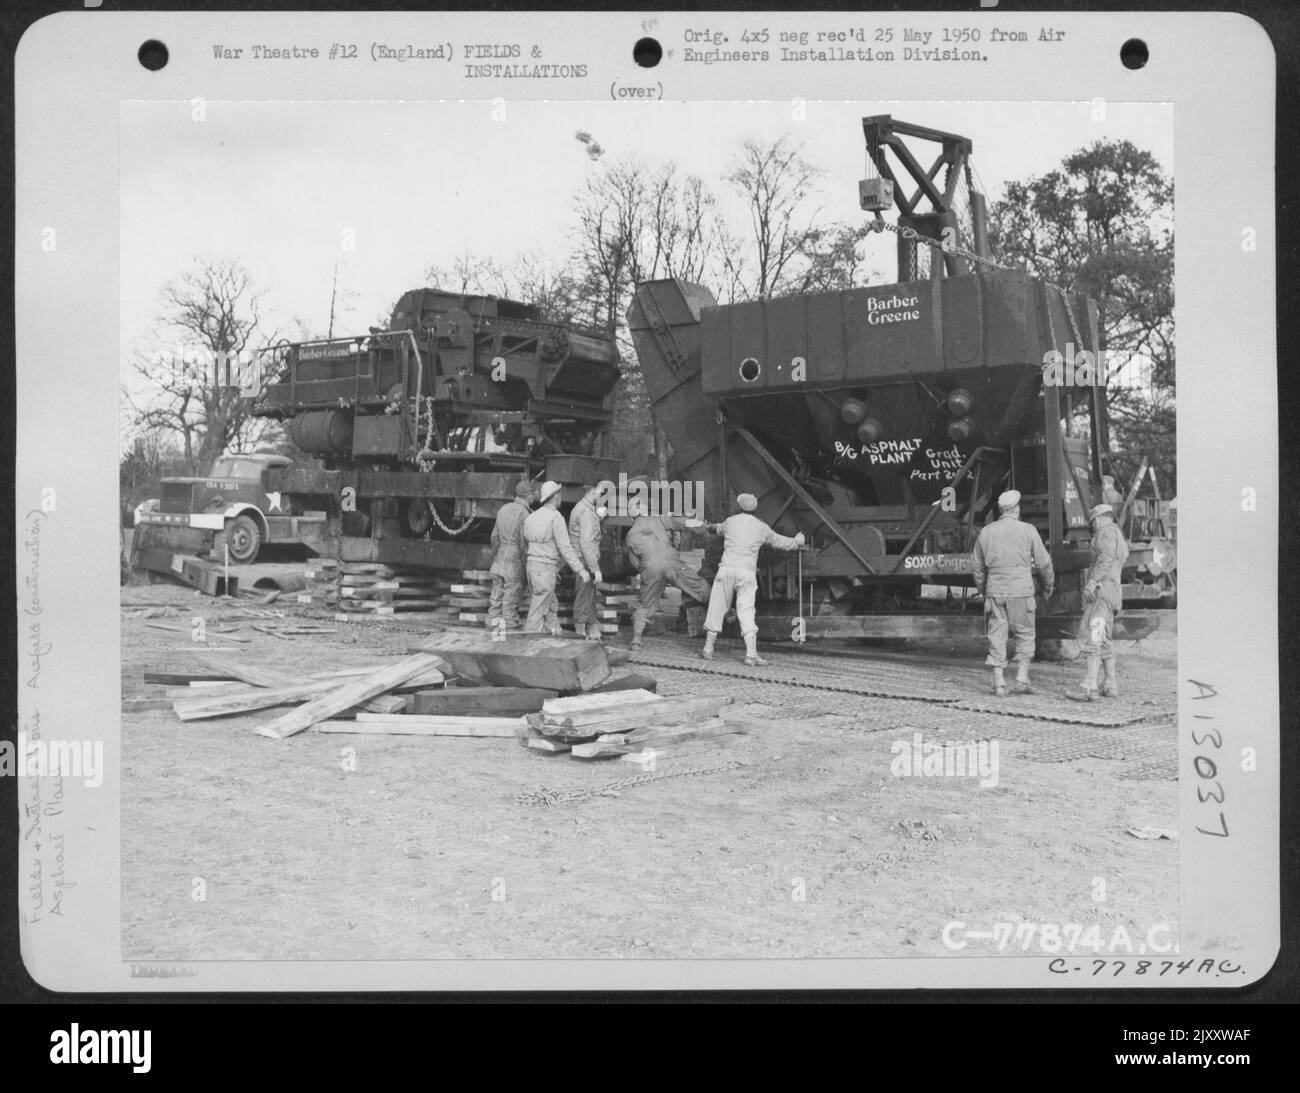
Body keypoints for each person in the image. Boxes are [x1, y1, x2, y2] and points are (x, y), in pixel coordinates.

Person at [700, 493, 804, 667]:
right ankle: (751, 655)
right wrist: (797, 541)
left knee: (717, 606)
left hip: (726, 569)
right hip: (746, 572)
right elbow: (779, 542)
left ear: (739, 506)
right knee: (746, 610)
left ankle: (708, 649)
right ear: (755, 509)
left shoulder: (730, 521)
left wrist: (709, 526)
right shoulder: (761, 527)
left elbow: (717, 529)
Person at [971, 489, 1055, 697]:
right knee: (1025, 633)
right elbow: (1044, 563)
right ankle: (1022, 678)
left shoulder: (986, 532)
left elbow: (977, 568)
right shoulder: (1028, 530)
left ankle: (999, 683)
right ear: (1016, 509)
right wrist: (1048, 584)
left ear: (1001, 510)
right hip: (1021, 591)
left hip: (996, 591)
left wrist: (984, 590)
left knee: (997, 635)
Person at [624, 495, 714, 650]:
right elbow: (682, 522)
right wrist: (704, 526)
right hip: (671, 560)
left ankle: (636, 640)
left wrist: (648, 573)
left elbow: (635, 563)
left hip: (650, 565)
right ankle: (725, 612)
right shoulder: (657, 519)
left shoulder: (630, 534)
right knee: (698, 586)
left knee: (645, 604)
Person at [1066, 503, 1129, 702]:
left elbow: (1106, 558)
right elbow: (1119, 559)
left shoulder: (1106, 533)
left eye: (1092, 522)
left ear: (1100, 518)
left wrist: (1092, 582)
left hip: (1101, 595)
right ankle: (1110, 684)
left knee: (1091, 635)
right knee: (1104, 638)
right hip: (1113, 594)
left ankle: (1089, 686)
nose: (1092, 526)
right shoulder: (1119, 535)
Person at [521, 480, 590, 635]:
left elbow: (524, 544)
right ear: (556, 497)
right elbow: (565, 548)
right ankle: (530, 639)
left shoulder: (532, 517)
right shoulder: (555, 518)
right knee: (539, 606)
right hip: (545, 568)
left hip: (531, 566)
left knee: (549, 603)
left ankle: (554, 632)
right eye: (559, 495)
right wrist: (581, 570)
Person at [486, 479, 537, 631]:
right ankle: (506, 646)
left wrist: (496, 557)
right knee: (509, 610)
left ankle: (493, 643)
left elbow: (494, 538)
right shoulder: (526, 515)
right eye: (534, 495)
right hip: (513, 566)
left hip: (499, 561)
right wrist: (526, 568)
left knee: (495, 605)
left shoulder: (503, 509)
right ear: (529, 497)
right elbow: (524, 546)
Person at [568, 480, 606, 641]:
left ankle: (590, 627)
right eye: (601, 493)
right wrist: (595, 569)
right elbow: (586, 543)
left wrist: (599, 518)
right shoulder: (586, 513)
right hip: (584, 560)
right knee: (584, 595)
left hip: (583, 559)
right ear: (593, 492)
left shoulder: (586, 510)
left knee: (589, 594)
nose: (602, 496)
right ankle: (580, 632)